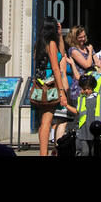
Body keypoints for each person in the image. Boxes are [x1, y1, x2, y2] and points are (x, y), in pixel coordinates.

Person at [30, 15, 67, 156]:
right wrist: (61, 91)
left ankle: (43, 152)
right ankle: (43, 154)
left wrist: (60, 36)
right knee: (47, 121)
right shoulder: (51, 43)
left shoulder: (39, 43)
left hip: (40, 86)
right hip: (50, 86)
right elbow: (56, 68)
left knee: (43, 121)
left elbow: (62, 54)